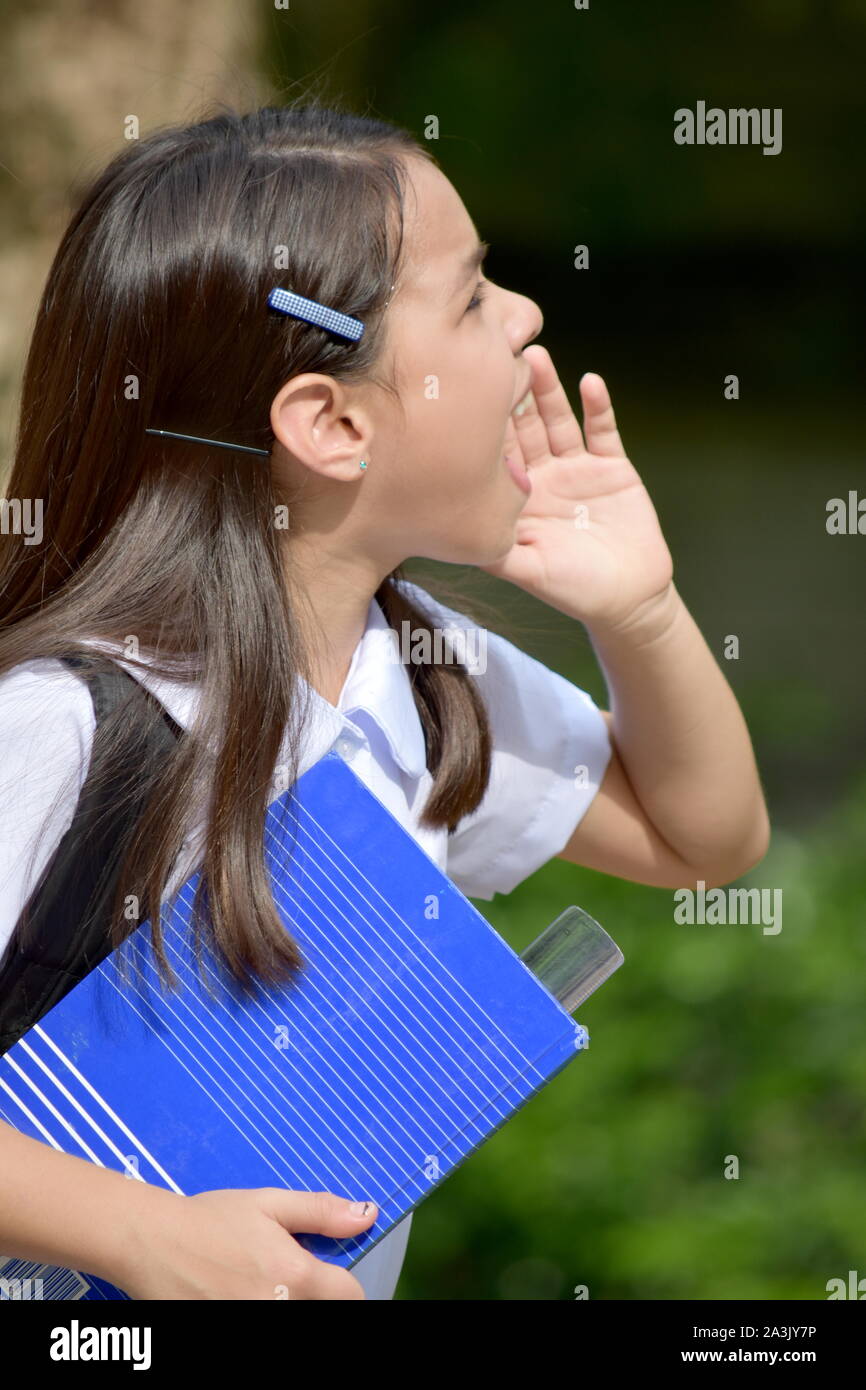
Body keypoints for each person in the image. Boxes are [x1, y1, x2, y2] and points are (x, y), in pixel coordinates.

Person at [0, 100, 770, 1300]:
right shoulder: (62, 720)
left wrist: (643, 613)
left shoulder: (409, 668)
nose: (525, 315)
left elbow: (701, 840)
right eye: (470, 298)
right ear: (332, 423)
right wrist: (137, 1233)